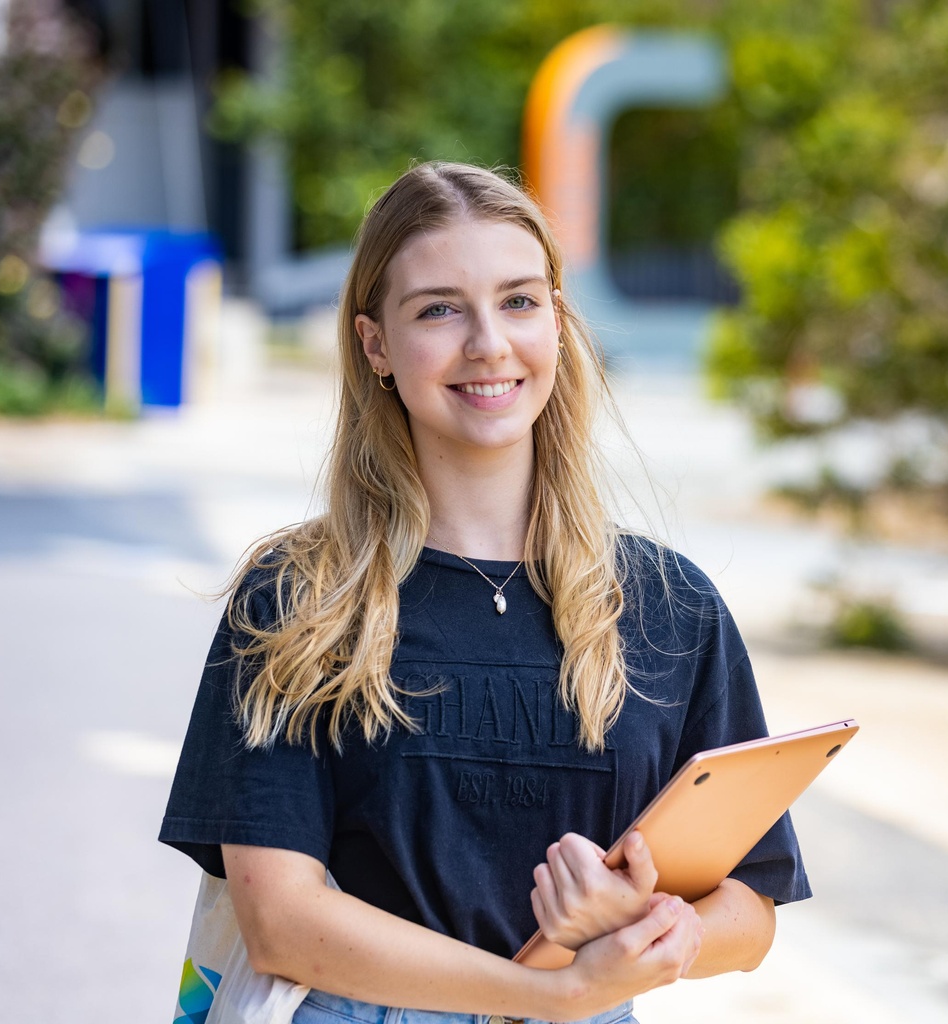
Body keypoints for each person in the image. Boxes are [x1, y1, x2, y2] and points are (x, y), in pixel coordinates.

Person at [159, 161, 810, 1024]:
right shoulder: (299, 601)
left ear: (556, 321)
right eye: (438, 308)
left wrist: (654, 929)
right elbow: (280, 923)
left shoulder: (668, 607)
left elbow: (752, 910)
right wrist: (549, 992)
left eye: (518, 301)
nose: (488, 345)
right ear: (375, 344)